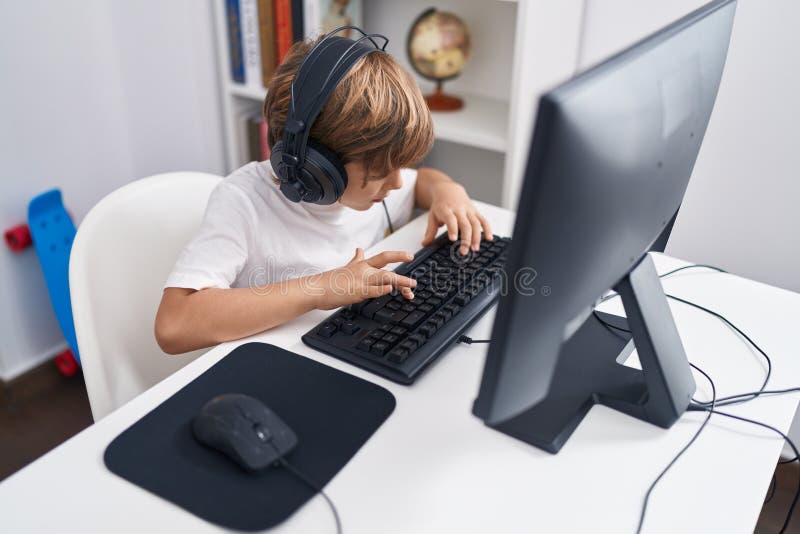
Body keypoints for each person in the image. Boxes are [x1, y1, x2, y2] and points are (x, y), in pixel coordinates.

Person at [154, 36, 493, 355]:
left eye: (401, 166)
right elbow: (174, 325)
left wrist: (447, 191)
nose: (397, 183)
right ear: (318, 166)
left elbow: (423, 183)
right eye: (380, 171)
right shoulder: (243, 202)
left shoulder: (373, 189)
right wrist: (323, 288)